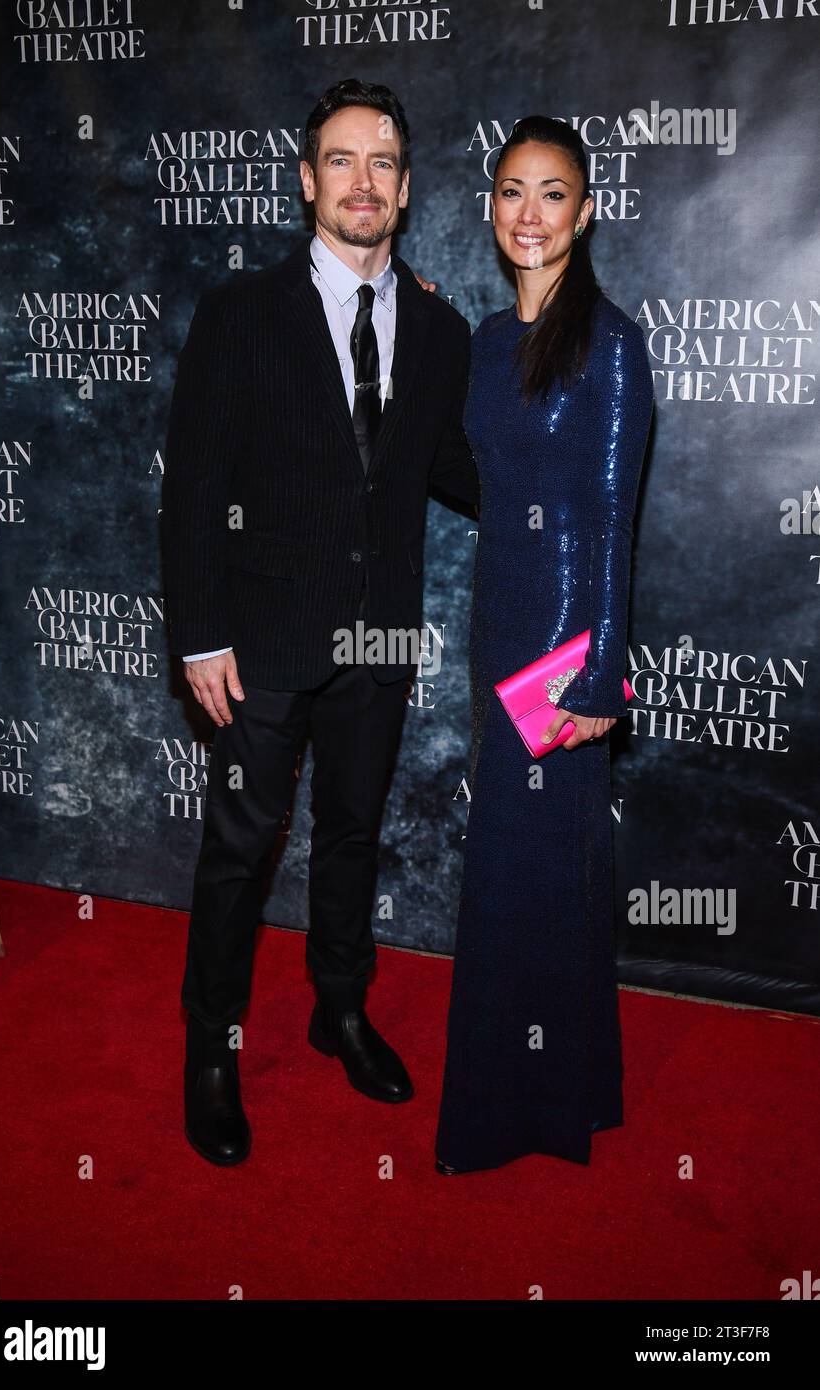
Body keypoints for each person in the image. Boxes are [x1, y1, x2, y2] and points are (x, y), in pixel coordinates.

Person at [161, 78, 478, 1167]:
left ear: (403, 187)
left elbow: (457, 472)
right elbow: (194, 488)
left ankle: (337, 1008)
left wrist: (557, 470)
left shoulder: (435, 328)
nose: (362, 181)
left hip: (377, 640)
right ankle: (211, 1046)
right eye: (339, 161)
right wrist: (199, 633)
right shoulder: (238, 315)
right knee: (238, 853)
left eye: (381, 163)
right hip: (257, 646)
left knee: (350, 836)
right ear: (305, 182)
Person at [434, 115, 655, 1175]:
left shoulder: (608, 342)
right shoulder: (480, 342)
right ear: (489, 209)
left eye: (552, 192)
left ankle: (522, 1108)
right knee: (517, 873)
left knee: (543, 869)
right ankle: (560, 1085)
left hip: (564, 655)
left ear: (586, 209)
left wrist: (602, 672)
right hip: (498, 627)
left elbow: (613, 516)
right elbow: (470, 481)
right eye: (511, 191)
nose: (530, 213)